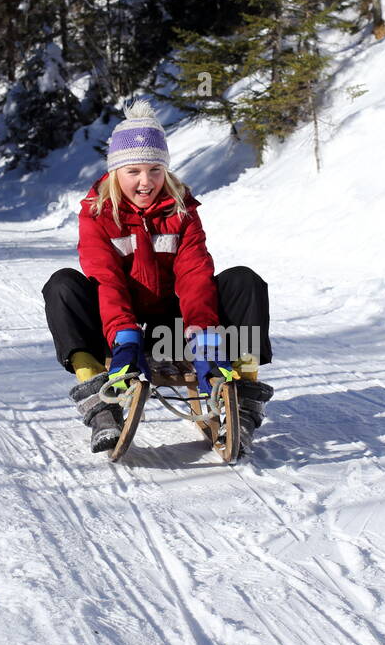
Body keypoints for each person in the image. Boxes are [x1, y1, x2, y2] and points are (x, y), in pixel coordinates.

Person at [42, 100, 273, 454]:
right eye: (133, 171)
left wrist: (203, 334)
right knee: (62, 286)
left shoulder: (182, 209)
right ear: (115, 171)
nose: (146, 181)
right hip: (118, 332)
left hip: (174, 331)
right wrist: (125, 336)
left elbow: (195, 272)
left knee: (245, 281)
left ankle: (240, 396)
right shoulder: (98, 213)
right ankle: (100, 403)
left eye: (154, 169)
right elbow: (107, 280)